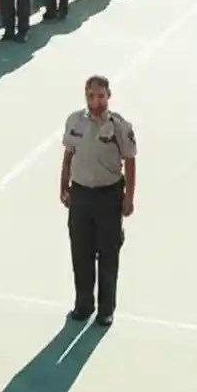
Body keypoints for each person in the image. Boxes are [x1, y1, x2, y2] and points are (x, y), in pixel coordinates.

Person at [60, 75, 137, 327]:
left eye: (101, 96)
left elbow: (131, 161)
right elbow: (68, 156)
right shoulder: (74, 121)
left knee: (108, 254)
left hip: (108, 195)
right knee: (80, 252)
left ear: (109, 96)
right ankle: (83, 304)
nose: (96, 101)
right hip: (80, 194)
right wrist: (64, 186)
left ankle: (106, 309)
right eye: (91, 95)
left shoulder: (120, 127)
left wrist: (129, 198)